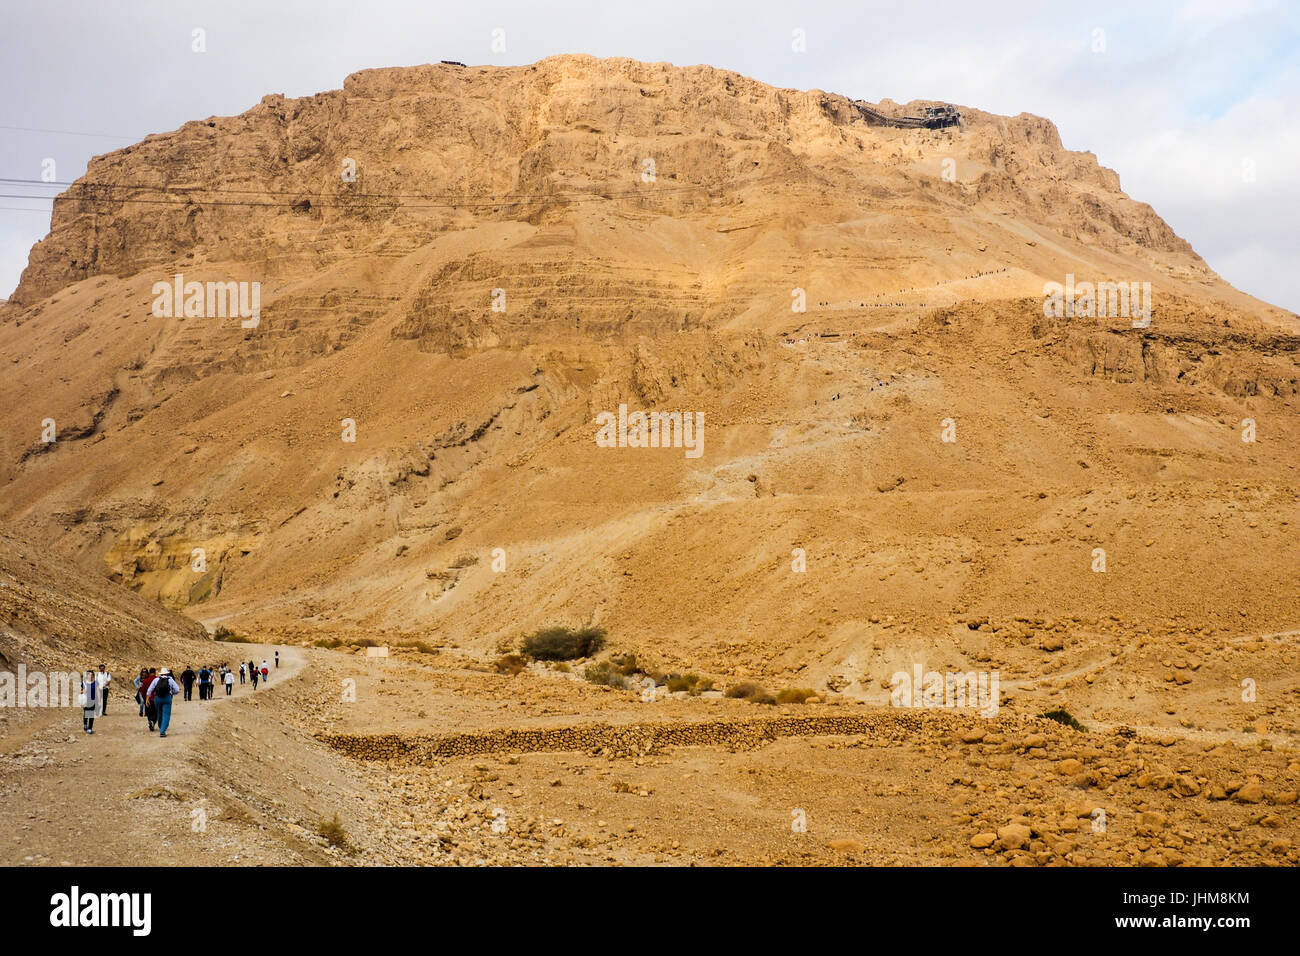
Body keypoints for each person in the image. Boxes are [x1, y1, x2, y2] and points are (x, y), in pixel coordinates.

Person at [149, 667, 180, 737]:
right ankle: (162, 731)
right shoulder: (170, 680)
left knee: (159, 713)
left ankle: (160, 726)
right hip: (167, 698)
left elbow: (150, 690)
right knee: (166, 714)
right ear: (167, 673)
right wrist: (172, 693)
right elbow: (177, 689)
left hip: (157, 698)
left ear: (161, 674)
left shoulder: (156, 680)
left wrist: (148, 698)